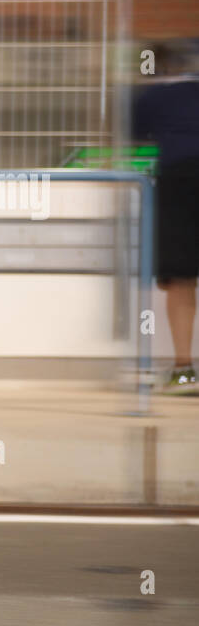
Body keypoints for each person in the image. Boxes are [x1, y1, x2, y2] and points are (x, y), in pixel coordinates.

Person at [133, 41, 199, 394]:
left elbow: (128, 137)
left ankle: (185, 371)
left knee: (180, 279)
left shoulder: (150, 97)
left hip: (179, 180)